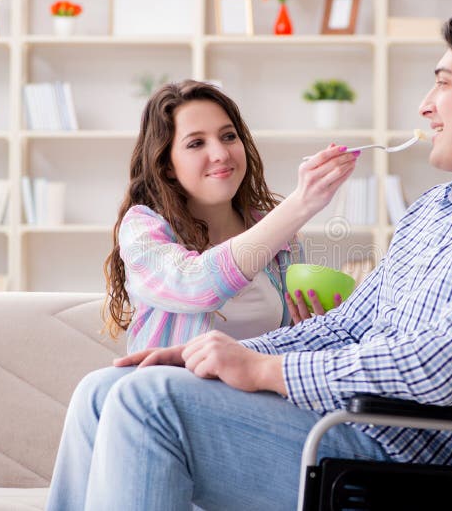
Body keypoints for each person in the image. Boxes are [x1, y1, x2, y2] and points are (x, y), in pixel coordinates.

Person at [46, 9, 452, 511]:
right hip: (365, 431)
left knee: (149, 402)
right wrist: (214, 355)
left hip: (427, 462)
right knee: (107, 388)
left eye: (442, 84)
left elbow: (442, 367)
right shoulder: (439, 208)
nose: (426, 107)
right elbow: (351, 325)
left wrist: (266, 372)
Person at [101, 80, 358, 355]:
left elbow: (288, 352)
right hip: (175, 390)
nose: (221, 154)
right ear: (166, 166)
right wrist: (300, 204)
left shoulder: (280, 238)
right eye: (196, 143)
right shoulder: (142, 227)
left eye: (228, 136)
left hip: (257, 394)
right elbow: (194, 284)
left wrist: (311, 332)